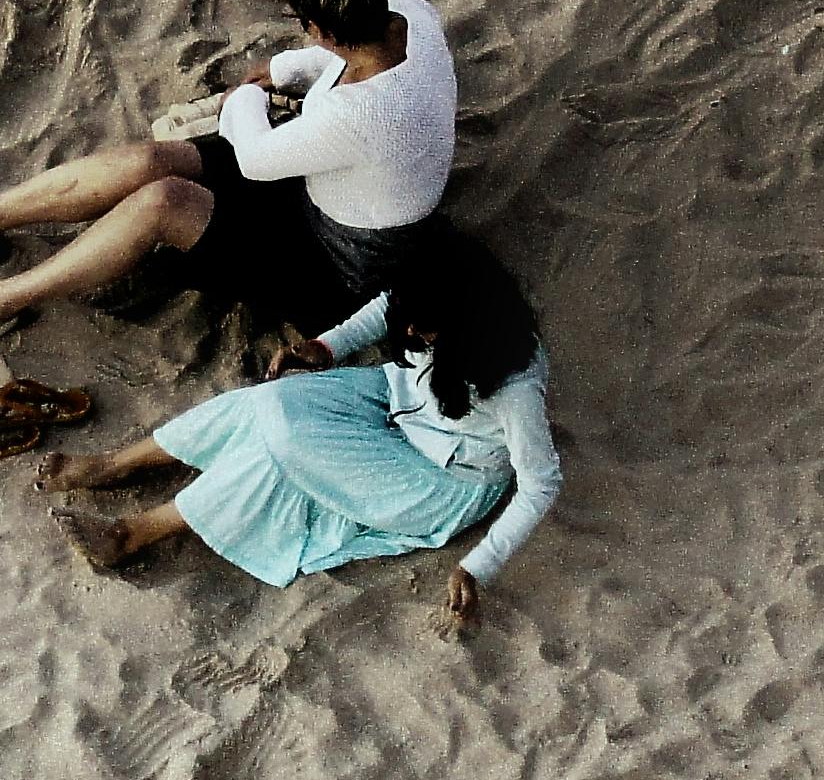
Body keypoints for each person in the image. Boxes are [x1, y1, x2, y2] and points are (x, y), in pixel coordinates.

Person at [0, 0, 457, 355]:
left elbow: (252, 158)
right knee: (153, 159)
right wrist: (283, 70)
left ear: (321, 25)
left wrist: (244, 97)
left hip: (341, 266)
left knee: (163, 204)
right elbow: (327, 64)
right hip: (324, 182)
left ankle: (0, 302)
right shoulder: (409, 13)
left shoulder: (361, 115)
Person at [29, 229, 558, 637]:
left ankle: (136, 532)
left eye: (426, 328)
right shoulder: (432, 291)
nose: (412, 332)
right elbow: (387, 312)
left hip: (438, 478)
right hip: (398, 397)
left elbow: (539, 485)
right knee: (270, 401)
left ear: (467, 326)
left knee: (284, 446)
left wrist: (478, 566)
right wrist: (323, 348)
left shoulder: (514, 390)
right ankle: (116, 465)